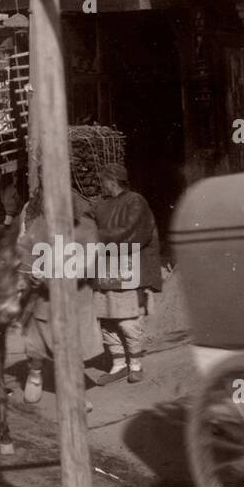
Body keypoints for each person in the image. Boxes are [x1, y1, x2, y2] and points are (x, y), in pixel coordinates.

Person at [17, 189, 105, 405]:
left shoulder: (87, 228)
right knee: (37, 345)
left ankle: (74, 391)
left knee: (73, 347)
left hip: (75, 297)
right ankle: (35, 376)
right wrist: (31, 276)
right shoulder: (40, 224)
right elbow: (25, 251)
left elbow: (89, 266)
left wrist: (50, 279)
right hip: (43, 301)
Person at [92, 163, 161, 385]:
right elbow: (86, 224)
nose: (101, 185)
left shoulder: (135, 201)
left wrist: (96, 237)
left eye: (104, 180)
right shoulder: (100, 204)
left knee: (128, 322)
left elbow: (130, 232)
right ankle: (119, 364)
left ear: (112, 181)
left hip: (128, 266)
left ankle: (135, 364)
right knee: (107, 321)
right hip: (105, 268)